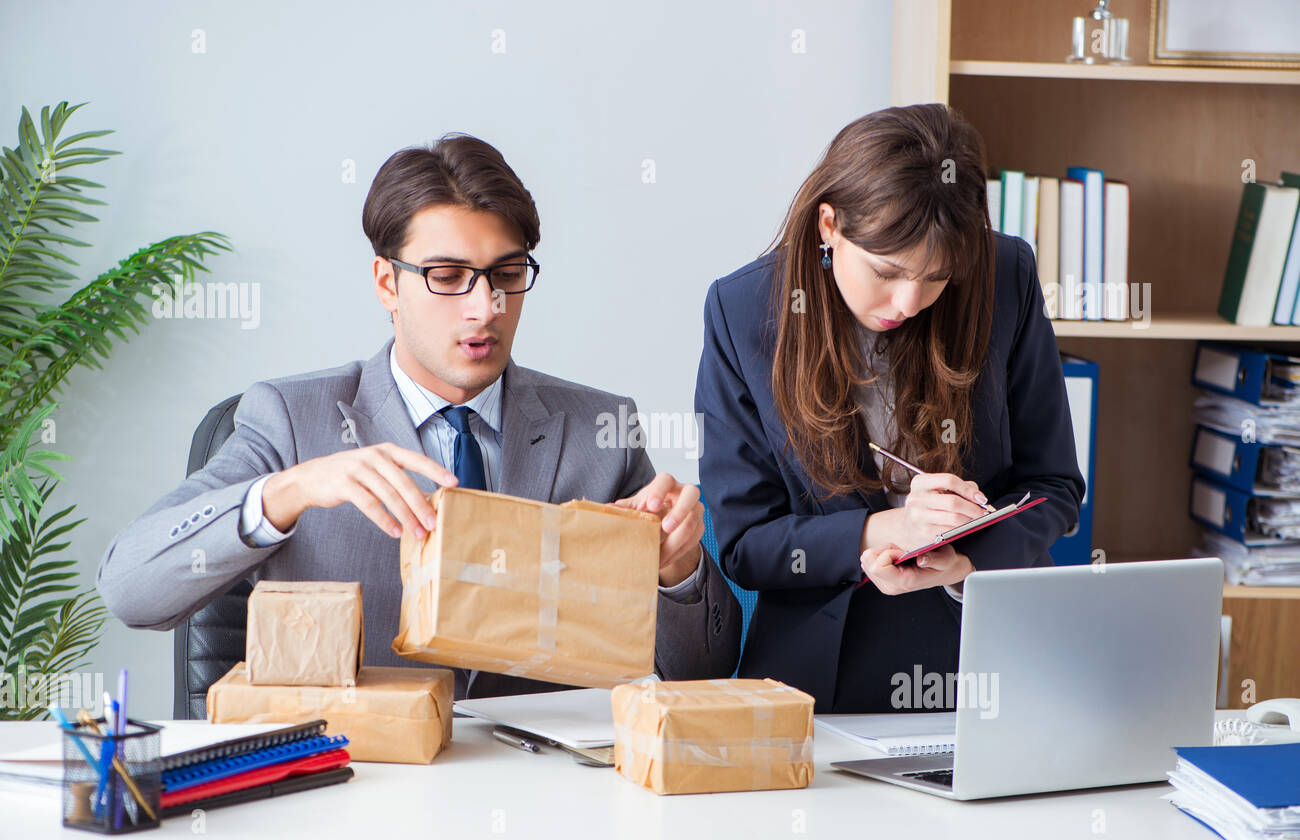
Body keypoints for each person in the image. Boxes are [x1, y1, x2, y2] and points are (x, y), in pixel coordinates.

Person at [97, 134, 741, 700]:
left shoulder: (602, 430)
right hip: (356, 785)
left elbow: (700, 674)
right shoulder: (291, 419)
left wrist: (678, 572)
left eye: (506, 274)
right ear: (387, 284)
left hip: (543, 802)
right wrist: (287, 491)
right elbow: (130, 588)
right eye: (448, 275)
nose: (485, 307)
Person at [695, 104, 1084, 713]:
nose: (910, 301)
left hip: (983, 672)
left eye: (937, 278)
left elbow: (1054, 487)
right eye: (887, 271)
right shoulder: (744, 312)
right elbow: (746, 543)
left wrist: (965, 558)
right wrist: (888, 529)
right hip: (814, 687)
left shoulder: (1004, 276)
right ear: (830, 225)